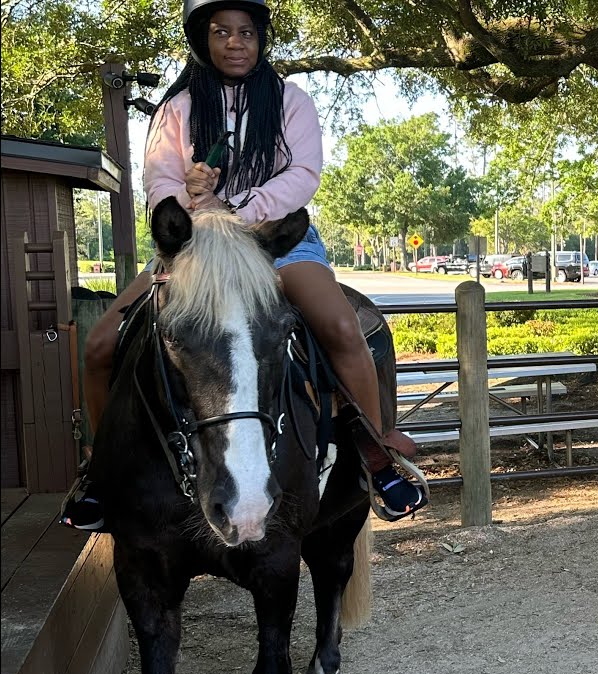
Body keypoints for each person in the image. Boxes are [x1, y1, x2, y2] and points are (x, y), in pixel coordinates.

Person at [61, 0, 427, 531]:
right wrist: (190, 198)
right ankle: (101, 469)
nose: (236, 42)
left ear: (261, 40)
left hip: (274, 240)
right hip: (193, 249)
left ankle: (377, 454)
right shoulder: (178, 109)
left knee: (342, 327)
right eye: (222, 32)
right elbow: (158, 181)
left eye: (247, 33)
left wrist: (237, 209)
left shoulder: (291, 102)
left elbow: (304, 173)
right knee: (100, 344)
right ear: (202, 40)